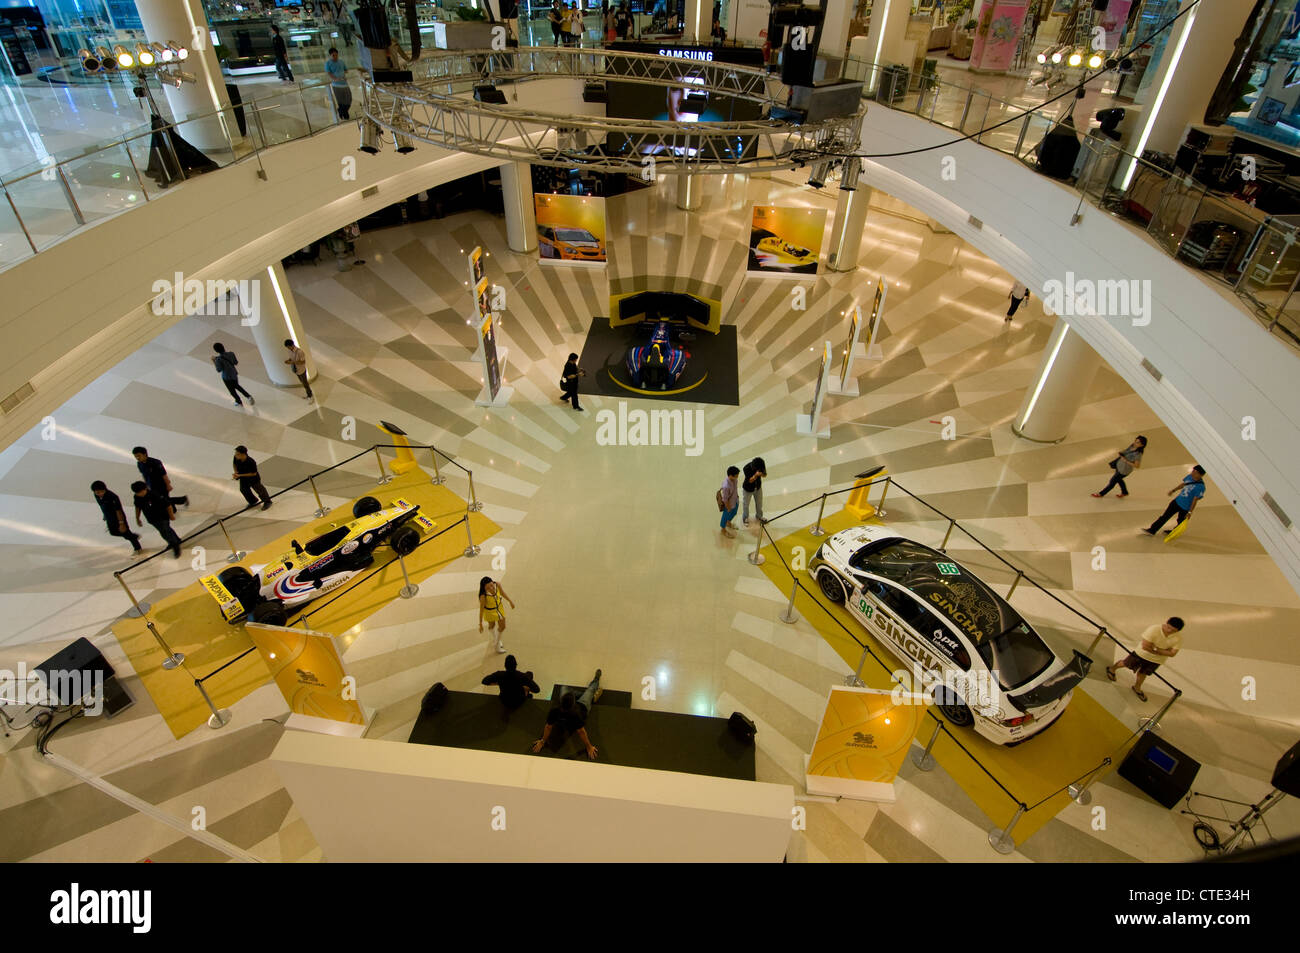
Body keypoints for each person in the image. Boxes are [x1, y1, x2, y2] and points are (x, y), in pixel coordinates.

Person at [1106, 617, 1185, 702]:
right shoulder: (1154, 629)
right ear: (1166, 623)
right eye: (1168, 627)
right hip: (1141, 654)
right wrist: (1162, 652)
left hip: (1156, 661)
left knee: (1143, 673)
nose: (1169, 631)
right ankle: (1112, 669)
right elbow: (1145, 646)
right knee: (1126, 663)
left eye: (1173, 630)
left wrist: (1156, 649)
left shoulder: (1178, 637)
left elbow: (1172, 653)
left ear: (1177, 630)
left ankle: (1137, 687)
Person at [532, 669, 602, 759]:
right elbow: (581, 732)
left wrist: (543, 741)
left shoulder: (554, 711)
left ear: (561, 702)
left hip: (567, 717)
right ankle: (596, 681)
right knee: (591, 690)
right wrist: (589, 746)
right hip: (583, 705)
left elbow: (548, 727)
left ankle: (584, 695)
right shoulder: (576, 714)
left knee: (564, 687)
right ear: (573, 703)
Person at [1142, 465, 1205, 536]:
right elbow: (1184, 484)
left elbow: (1195, 500)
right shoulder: (1189, 477)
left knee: (1180, 521)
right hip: (1177, 502)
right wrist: (1173, 490)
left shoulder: (1200, 487)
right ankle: (1152, 530)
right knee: (1165, 516)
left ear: (1201, 475)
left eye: (1195, 472)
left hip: (1185, 507)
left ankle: (1174, 532)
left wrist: (1190, 512)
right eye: (1193, 471)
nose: (1192, 473)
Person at [131, 480, 181, 558]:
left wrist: (171, 516)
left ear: (145, 489)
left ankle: (175, 546)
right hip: (152, 519)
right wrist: (137, 518)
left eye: (140, 492)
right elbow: (138, 507)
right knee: (166, 530)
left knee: (165, 532)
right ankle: (176, 540)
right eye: (137, 493)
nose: (139, 494)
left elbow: (168, 505)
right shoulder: (137, 497)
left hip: (162, 517)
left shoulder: (154, 495)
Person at [92, 481, 142, 553]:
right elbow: (101, 505)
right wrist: (105, 515)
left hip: (118, 518)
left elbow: (118, 511)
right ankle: (133, 536)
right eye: (97, 492)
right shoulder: (96, 495)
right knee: (113, 532)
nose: (100, 494)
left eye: (101, 492)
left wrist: (121, 523)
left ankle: (137, 548)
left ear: (105, 489)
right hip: (109, 517)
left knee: (125, 532)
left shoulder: (113, 497)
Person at [478, 576, 516, 654]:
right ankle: (496, 639)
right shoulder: (483, 596)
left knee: (503, 626)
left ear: (493, 582)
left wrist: (510, 601)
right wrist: (480, 623)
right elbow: (481, 610)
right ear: (484, 588)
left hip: (499, 608)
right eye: (488, 588)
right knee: (491, 626)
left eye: (491, 585)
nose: (491, 588)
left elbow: (502, 593)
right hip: (490, 612)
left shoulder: (497, 585)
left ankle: (496, 644)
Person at [212, 343, 254, 408]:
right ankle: (248, 397)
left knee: (232, 391)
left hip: (226, 377)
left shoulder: (218, 360)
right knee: (237, 386)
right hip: (234, 373)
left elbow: (219, 370)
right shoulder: (231, 353)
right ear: (223, 347)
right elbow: (235, 362)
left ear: (216, 351)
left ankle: (239, 401)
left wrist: (214, 361)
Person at [232, 445, 273, 510]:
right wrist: (236, 472)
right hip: (243, 478)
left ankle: (267, 502)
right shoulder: (236, 458)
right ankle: (253, 501)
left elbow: (253, 473)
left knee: (260, 490)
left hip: (253, 479)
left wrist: (240, 475)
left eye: (238, 454)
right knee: (243, 490)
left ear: (243, 454)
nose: (235, 455)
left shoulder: (251, 461)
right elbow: (234, 464)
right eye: (236, 454)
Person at [325, 47, 350, 120]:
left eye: (336, 55)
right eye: (333, 55)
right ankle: (344, 113)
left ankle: (341, 111)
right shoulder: (328, 63)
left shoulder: (341, 62)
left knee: (348, 100)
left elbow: (346, 70)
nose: (335, 57)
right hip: (336, 85)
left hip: (344, 84)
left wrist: (343, 75)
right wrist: (335, 79)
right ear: (330, 55)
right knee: (341, 100)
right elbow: (328, 73)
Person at [741, 456, 766, 525]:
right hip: (748, 489)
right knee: (746, 504)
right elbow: (750, 480)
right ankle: (745, 518)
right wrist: (756, 475)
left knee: (759, 503)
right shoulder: (746, 468)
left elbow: (765, 475)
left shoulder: (761, 465)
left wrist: (762, 474)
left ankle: (759, 516)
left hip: (758, 488)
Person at [718, 465, 740, 537]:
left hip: (735, 501)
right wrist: (728, 508)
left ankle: (728, 523)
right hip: (729, 504)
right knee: (725, 516)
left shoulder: (735, 480)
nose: (737, 477)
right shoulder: (726, 486)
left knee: (734, 513)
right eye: (736, 476)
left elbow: (735, 489)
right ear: (730, 475)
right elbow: (725, 499)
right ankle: (723, 529)